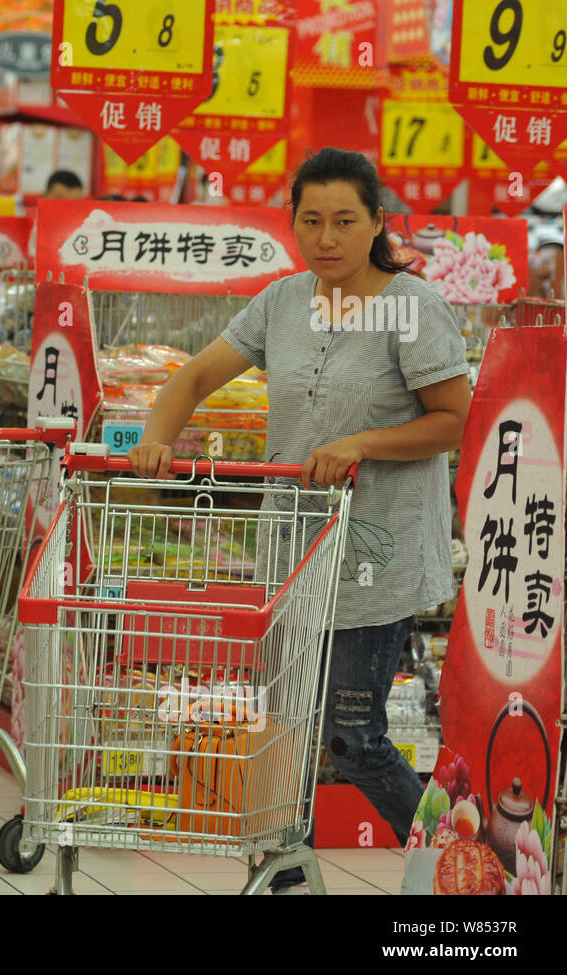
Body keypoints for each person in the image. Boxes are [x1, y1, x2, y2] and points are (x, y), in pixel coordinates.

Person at [127, 147, 471, 893]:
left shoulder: (412, 307)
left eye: (345, 220)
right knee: (282, 739)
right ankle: (288, 881)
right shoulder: (282, 301)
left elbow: (453, 420)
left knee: (353, 738)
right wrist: (157, 438)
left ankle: (457, 880)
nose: (327, 237)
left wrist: (361, 443)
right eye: (311, 220)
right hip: (292, 552)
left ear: (378, 221)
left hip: (376, 556)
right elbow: (193, 376)